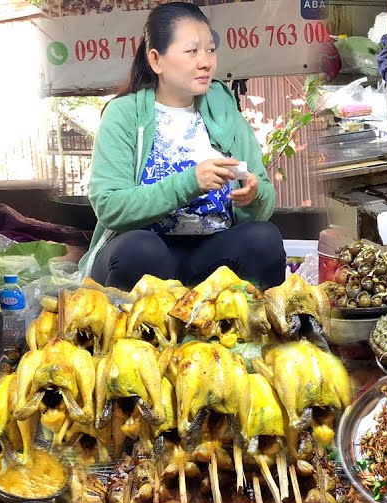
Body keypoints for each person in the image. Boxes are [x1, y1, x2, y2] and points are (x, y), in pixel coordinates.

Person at [84, 2, 284, 291]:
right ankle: (139, 332)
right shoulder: (124, 115)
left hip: (209, 254)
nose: (206, 62)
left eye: (210, 50)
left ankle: (251, 329)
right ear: (156, 60)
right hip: (142, 254)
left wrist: (254, 195)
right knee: (141, 249)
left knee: (263, 238)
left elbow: (261, 198)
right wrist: (190, 182)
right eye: (192, 51)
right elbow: (110, 207)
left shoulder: (224, 111)